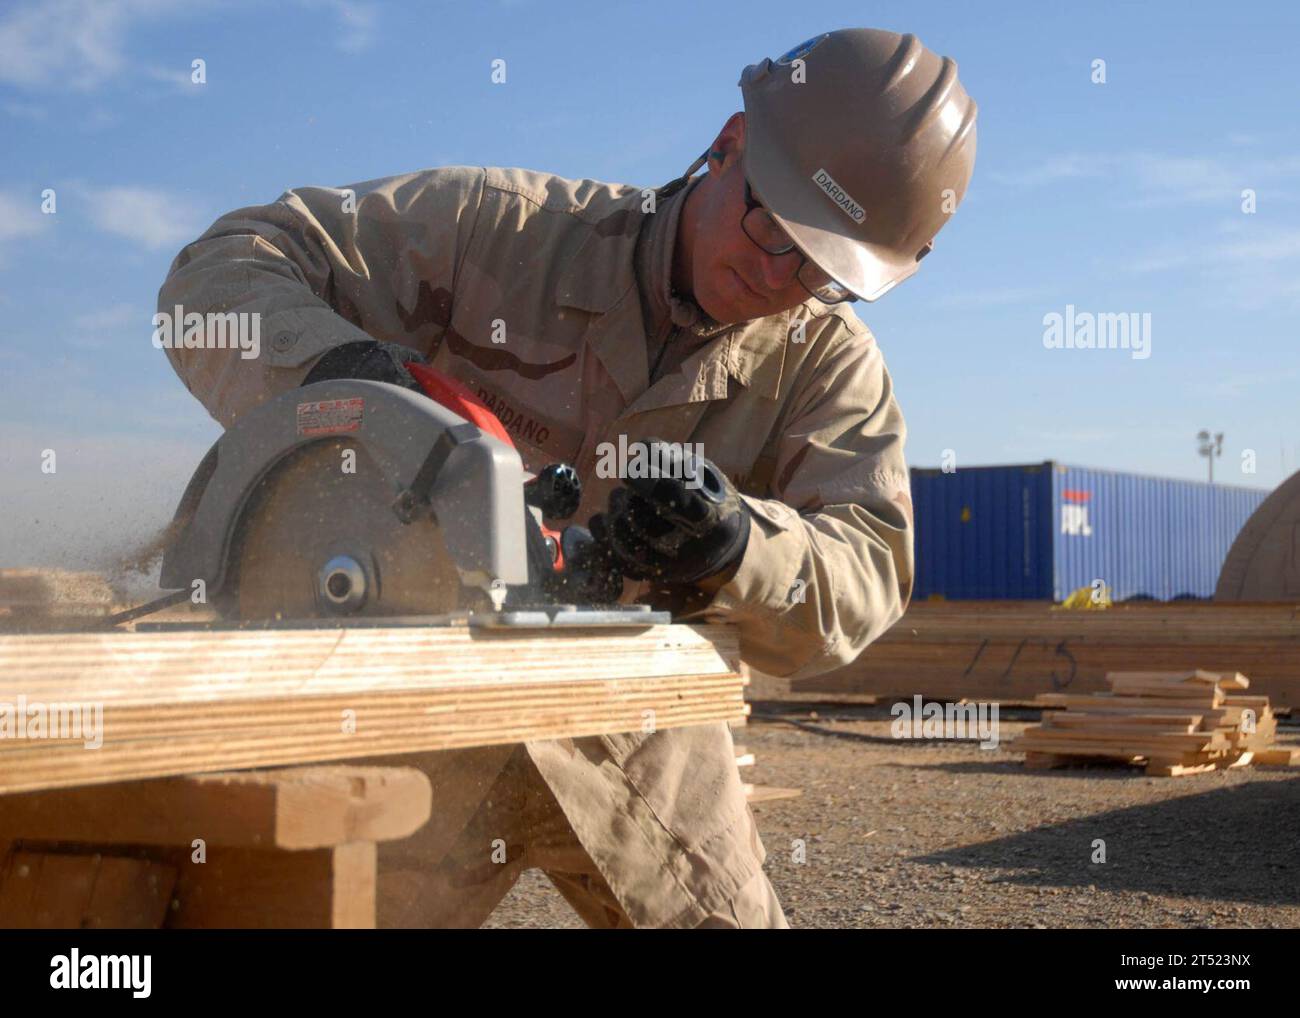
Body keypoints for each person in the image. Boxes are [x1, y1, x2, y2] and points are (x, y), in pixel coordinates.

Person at [157, 27, 977, 928]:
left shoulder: (826, 367)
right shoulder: (496, 232)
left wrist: (741, 546)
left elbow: (866, 573)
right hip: (405, 689)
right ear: (729, 143)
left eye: (821, 270)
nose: (777, 276)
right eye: (772, 225)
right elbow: (218, 274)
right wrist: (341, 379)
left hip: (634, 729)